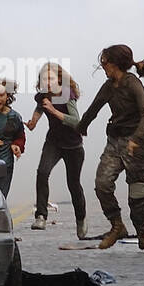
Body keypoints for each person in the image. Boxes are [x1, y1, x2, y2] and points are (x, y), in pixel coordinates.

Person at [77, 44, 144, 252]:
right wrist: (81, 127)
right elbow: (94, 108)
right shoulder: (108, 86)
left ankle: (142, 236)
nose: (102, 66)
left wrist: (136, 139)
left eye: (105, 62)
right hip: (114, 143)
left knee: (137, 195)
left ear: (113, 64)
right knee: (102, 184)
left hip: (137, 146)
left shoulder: (133, 84)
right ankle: (117, 225)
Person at [24, 62, 88, 239]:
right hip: (53, 142)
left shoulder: (67, 94)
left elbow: (76, 120)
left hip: (73, 145)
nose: (47, 81)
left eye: (50, 78)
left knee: (73, 184)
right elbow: (39, 107)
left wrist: (53, 110)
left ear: (59, 78)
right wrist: (33, 122)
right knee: (42, 172)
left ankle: (81, 219)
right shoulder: (43, 95)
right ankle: (41, 216)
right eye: (44, 79)